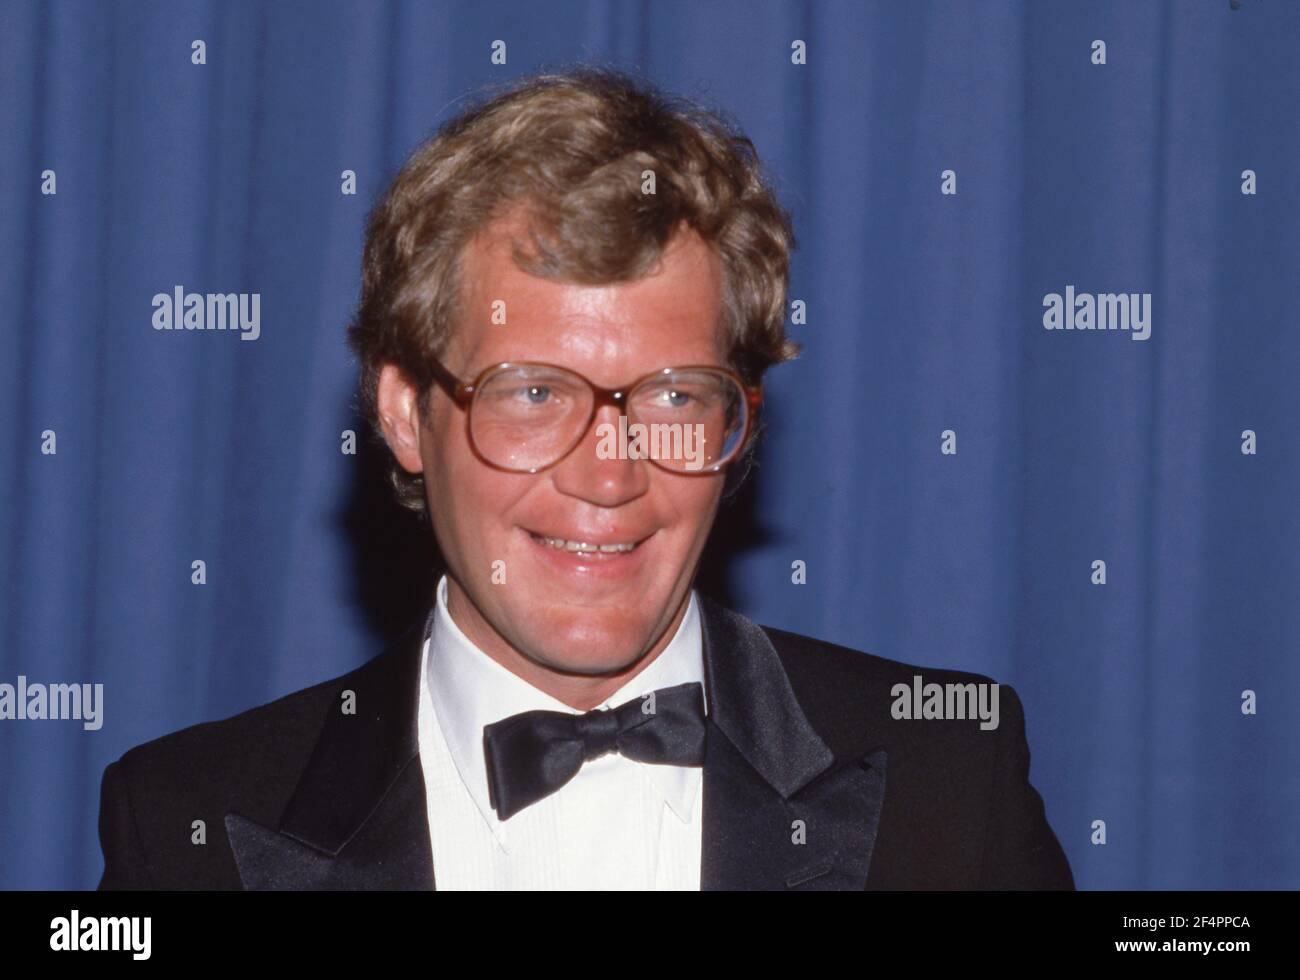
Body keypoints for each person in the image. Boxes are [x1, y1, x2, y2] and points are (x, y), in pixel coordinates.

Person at [97, 66, 1073, 890]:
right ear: (404, 411)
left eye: (676, 396)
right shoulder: (192, 821)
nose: (610, 474)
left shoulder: (949, 783)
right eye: (531, 394)